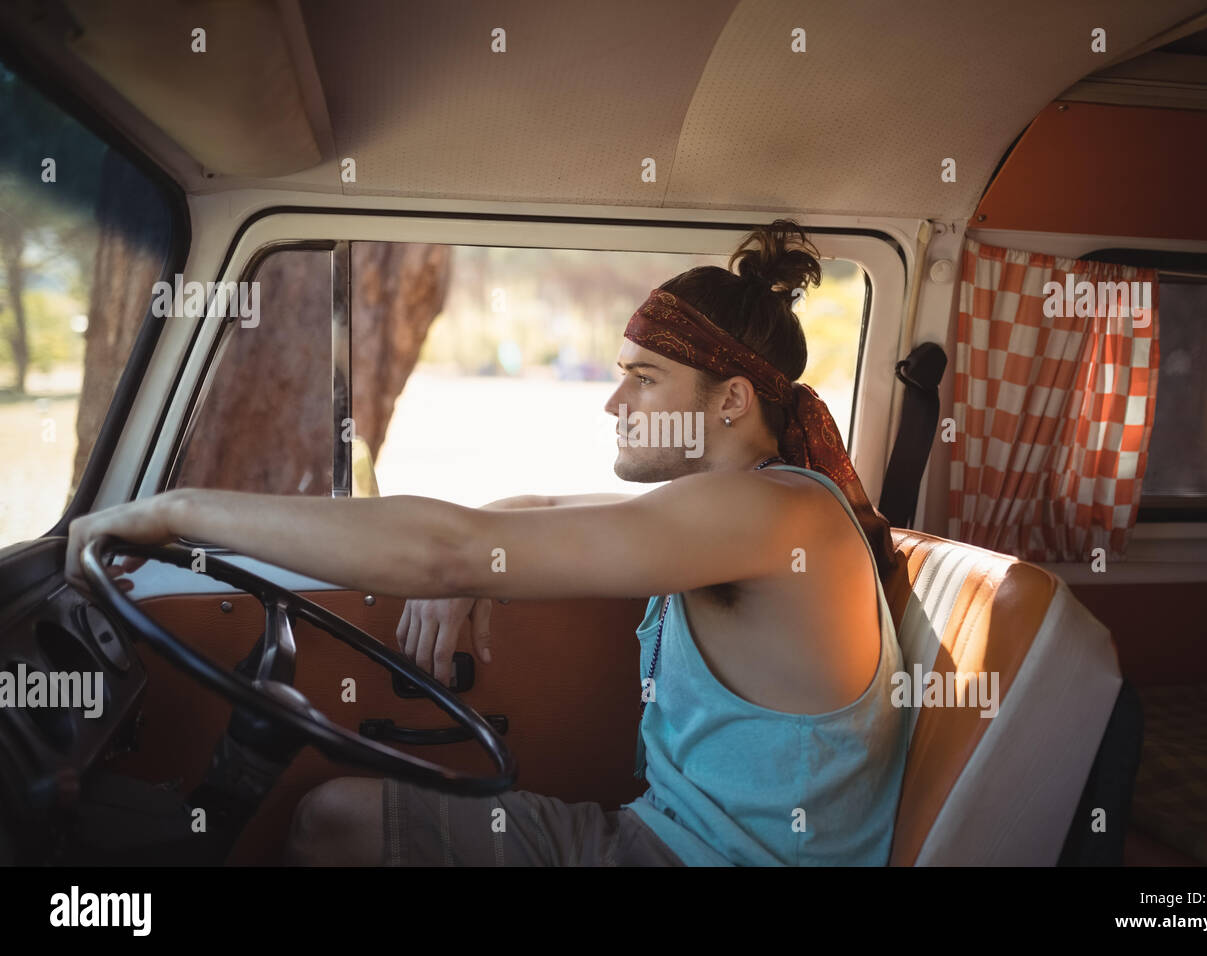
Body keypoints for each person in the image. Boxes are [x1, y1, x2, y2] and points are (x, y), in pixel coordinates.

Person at [64, 219, 910, 866]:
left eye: (643, 378)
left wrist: (177, 512)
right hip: (662, 837)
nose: (613, 405)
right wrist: (474, 565)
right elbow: (530, 509)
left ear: (729, 401)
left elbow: (455, 546)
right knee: (335, 817)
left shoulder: (770, 515)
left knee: (332, 825)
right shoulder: (732, 504)